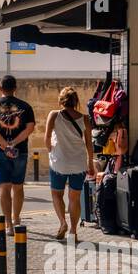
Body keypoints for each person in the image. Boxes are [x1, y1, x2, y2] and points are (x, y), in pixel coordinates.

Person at [44, 87, 95, 242]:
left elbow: (46, 139)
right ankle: (73, 232)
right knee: (75, 198)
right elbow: (89, 144)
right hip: (78, 163)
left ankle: (62, 223)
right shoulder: (84, 118)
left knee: (56, 194)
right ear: (76, 101)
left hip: (59, 162)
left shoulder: (54, 115)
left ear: (61, 100)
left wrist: (51, 150)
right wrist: (90, 163)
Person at [0, 75, 36, 236]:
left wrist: (4, 145)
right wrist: (14, 143)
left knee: (4, 187)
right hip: (20, 150)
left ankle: (8, 224)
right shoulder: (26, 106)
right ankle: (16, 218)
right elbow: (30, 128)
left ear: (0, 88)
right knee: (18, 187)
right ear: (15, 88)